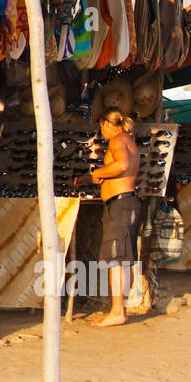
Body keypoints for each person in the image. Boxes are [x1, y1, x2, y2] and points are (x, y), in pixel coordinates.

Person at [75, 108, 140, 327]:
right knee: (124, 259)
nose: (101, 131)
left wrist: (96, 174)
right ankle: (121, 308)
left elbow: (121, 165)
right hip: (126, 202)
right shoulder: (129, 140)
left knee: (116, 261)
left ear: (106, 123)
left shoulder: (117, 140)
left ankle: (117, 312)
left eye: (101, 126)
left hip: (120, 205)